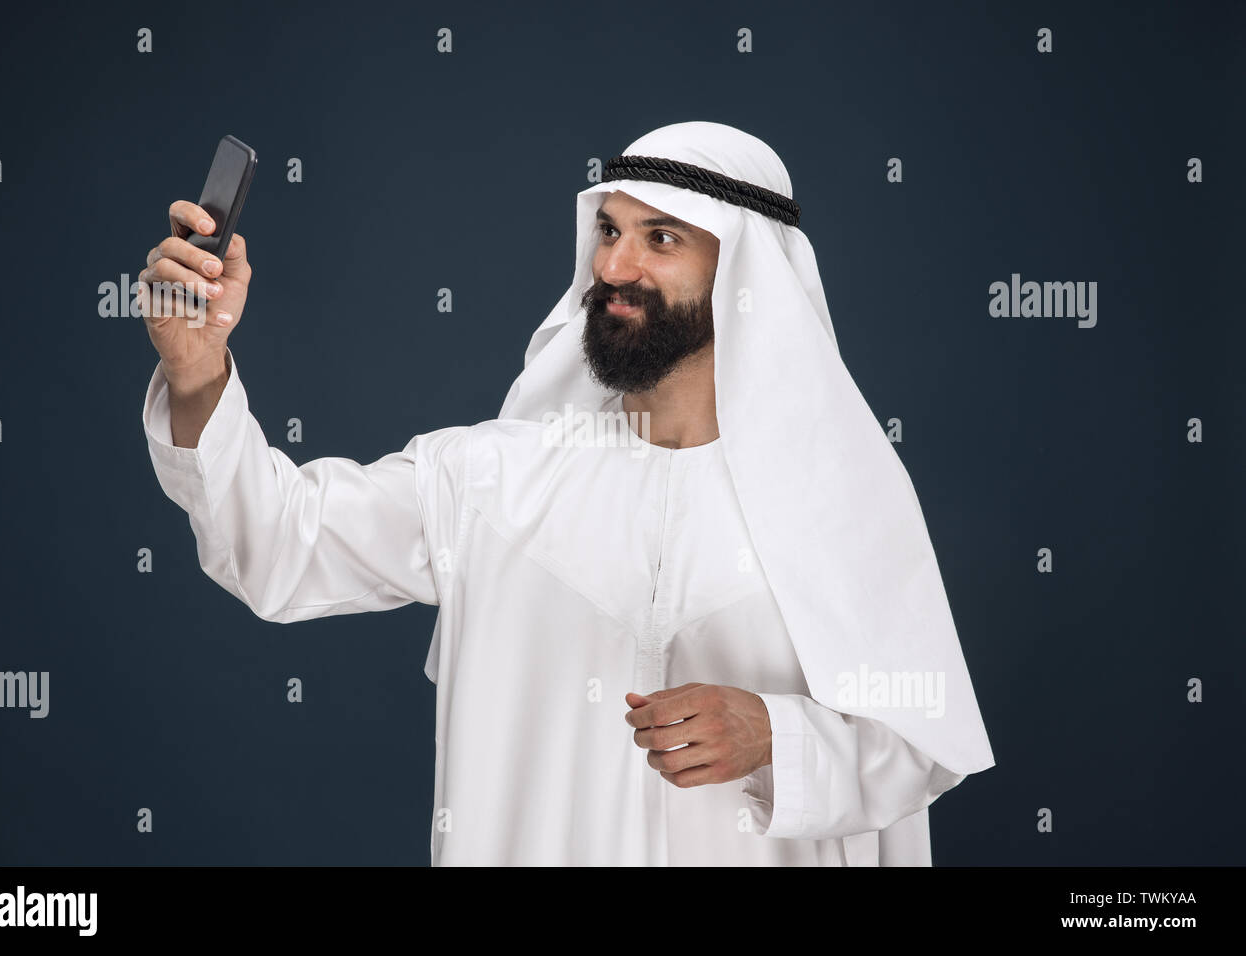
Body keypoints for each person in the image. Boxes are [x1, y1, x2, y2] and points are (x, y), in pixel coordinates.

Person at [138, 121, 995, 866]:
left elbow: (921, 740)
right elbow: (281, 545)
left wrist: (780, 738)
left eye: (661, 239)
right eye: (610, 229)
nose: (614, 265)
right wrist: (196, 369)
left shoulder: (838, 502)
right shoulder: (492, 481)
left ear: (746, 280)